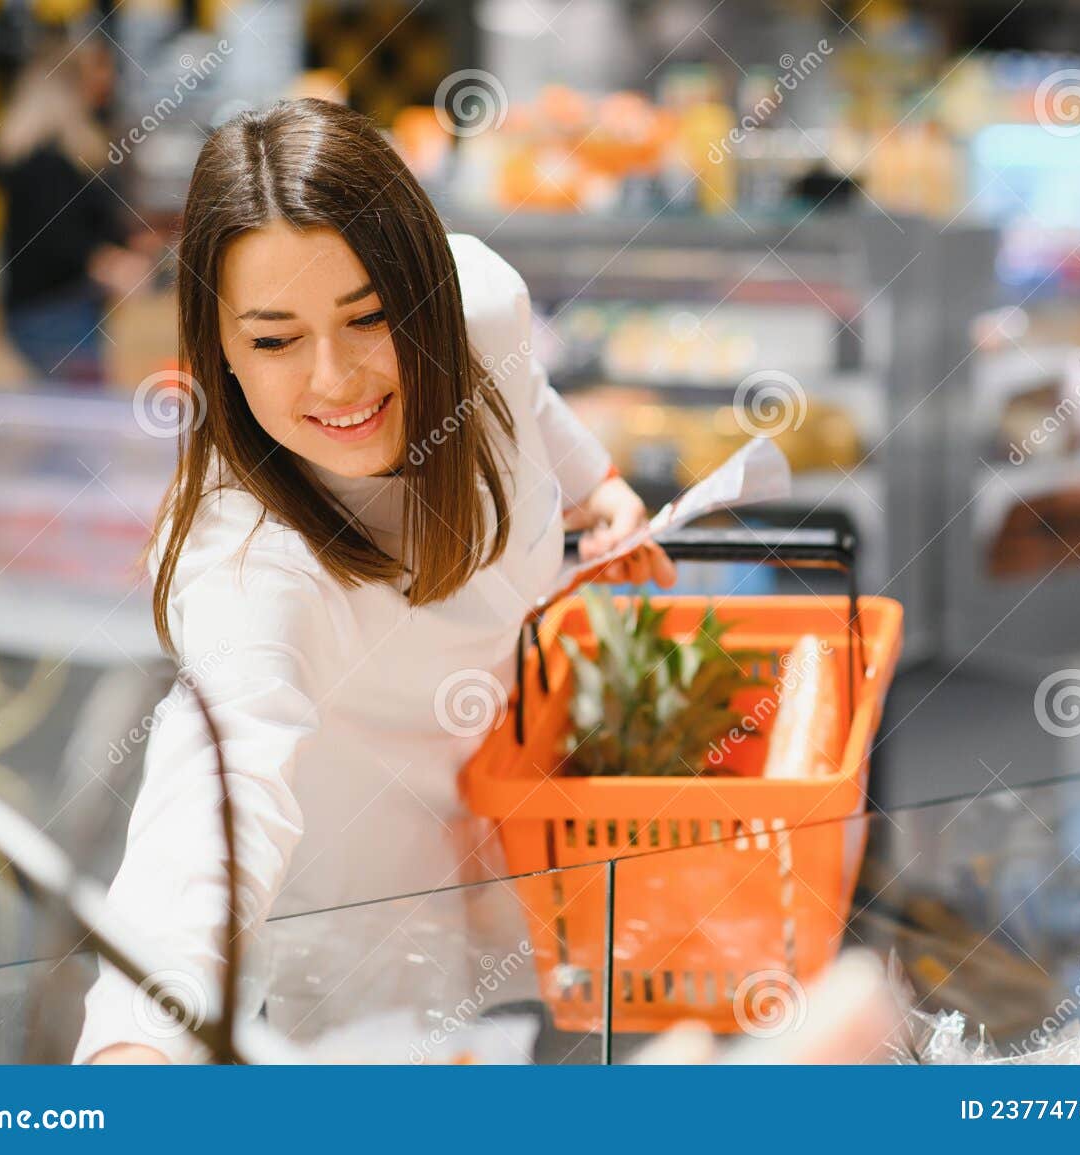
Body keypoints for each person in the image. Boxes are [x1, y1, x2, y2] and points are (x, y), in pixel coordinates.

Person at [74, 99, 673, 1063]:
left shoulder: (482, 305)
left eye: (371, 317)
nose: (337, 379)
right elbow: (209, 802)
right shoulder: (245, 552)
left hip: (541, 838)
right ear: (218, 351)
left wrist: (595, 483)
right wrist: (135, 1053)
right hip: (374, 927)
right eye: (274, 340)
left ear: (428, 297)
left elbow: (529, 395)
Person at [0, 34, 151, 384]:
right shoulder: (47, 160)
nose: (107, 81)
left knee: (66, 424)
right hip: (55, 315)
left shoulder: (44, 155)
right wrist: (111, 264)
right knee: (81, 425)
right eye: (98, 71)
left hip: (51, 313)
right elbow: (54, 238)